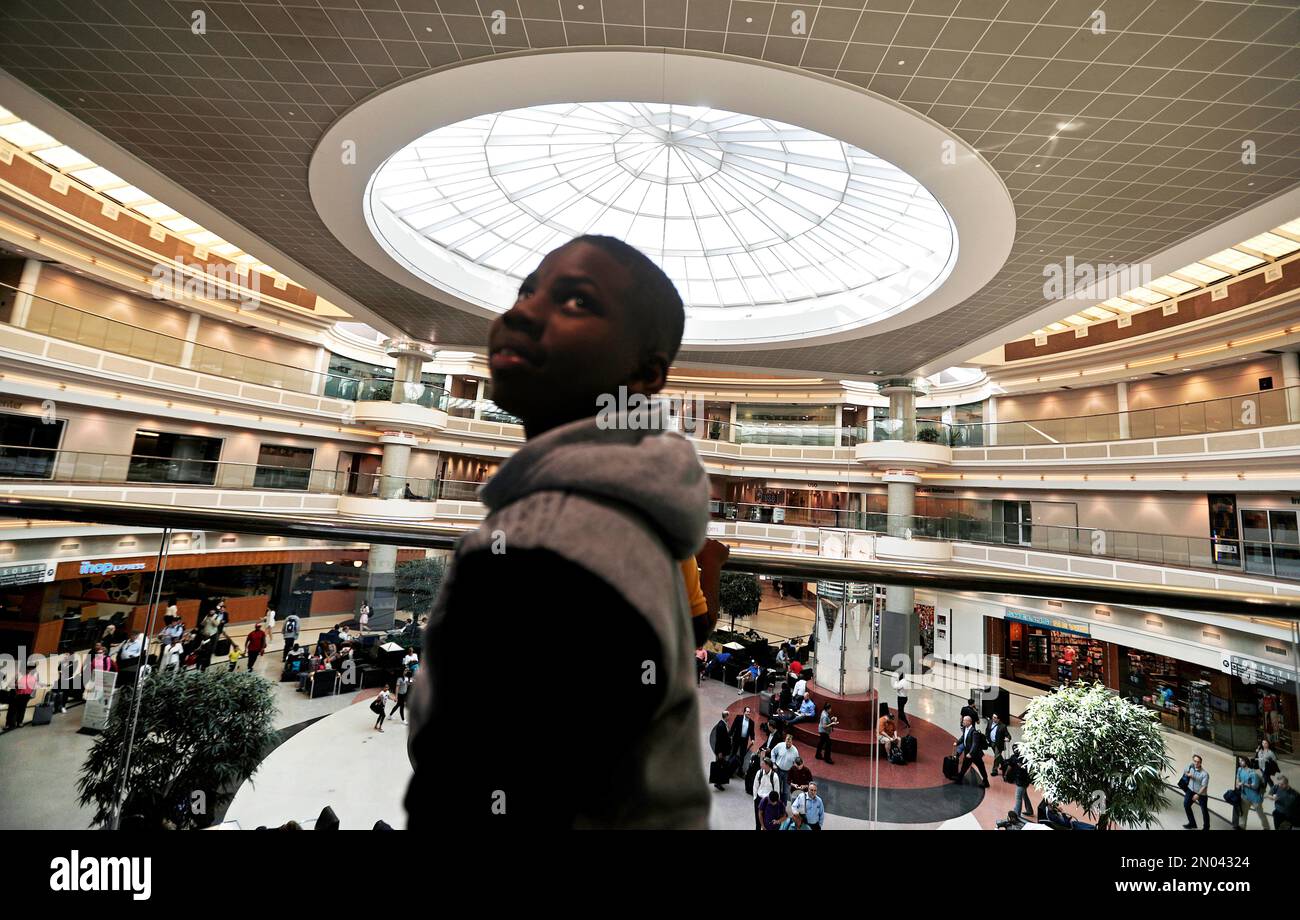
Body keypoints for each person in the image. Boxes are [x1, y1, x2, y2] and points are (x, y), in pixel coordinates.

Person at [405, 235, 710, 828]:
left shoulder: (550, 543)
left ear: (645, 375)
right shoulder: (607, 508)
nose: (520, 311)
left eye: (575, 302)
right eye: (527, 290)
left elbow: (484, 792)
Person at [1233, 754, 1269, 830]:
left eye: (1242, 761)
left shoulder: (1252, 773)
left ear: (1246, 761)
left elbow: (1255, 786)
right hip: (1244, 797)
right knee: (1243, 814)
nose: (1240, 762)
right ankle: (1242, 827)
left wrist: (1244, 784)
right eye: (1239, 761)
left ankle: (1266, 827)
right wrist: (1238, 784)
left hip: (1255, 798)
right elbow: (1237, 780)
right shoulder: (1239, 770)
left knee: (1261, 814)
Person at [953, 714, 989, 787]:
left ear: (969, 722)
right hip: (968, 753)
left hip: (975, 754)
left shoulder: (974, 732)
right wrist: (957, 742)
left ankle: (986, 781)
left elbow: (975, 744)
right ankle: (959, 779)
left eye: (964, 721)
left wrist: (970, 753)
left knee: (981, 767)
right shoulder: (965, 729)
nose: (962, 722)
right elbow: (963, 737)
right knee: (965, 766)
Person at [3, 662, 40, 731]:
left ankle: (19, 722)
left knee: (22, 709)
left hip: (26, 696)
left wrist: (31, 695)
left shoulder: (34, 676)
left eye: (32, 669)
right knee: (12, 710)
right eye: (28, 669)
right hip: (16, 695)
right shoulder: (18, 675)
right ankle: (8, 724)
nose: (30, 670)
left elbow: (35, 686)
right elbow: (10, 684)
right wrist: (17, 686)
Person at [1182, 754, 1210, 830]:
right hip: (1190, 790)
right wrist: (1187, 774)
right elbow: (1185, 771)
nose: (1196, 763)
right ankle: (1192, 823)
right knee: (1186, 805)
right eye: (1195, 761)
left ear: (1201, 763)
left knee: (1204, 810)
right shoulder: (1191, 766)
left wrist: (1198, 794)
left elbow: (1204, 786)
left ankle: (1206, 827)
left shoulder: (1205, 774)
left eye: (1198, 762)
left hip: (1201, 793)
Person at [1007, 743, 1035, 818]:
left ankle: (1017, 815)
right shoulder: (1025, 757)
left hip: (1021, 781)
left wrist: (1006, 775)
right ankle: (1029, 810)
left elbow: (1009, 767)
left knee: (1018, 798)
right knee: (1024, 795)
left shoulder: (1016, 758)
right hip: (1025, 780)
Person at [752, 760, 781, 828]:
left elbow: (777, 791)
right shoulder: (759, 773)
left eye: (763, 764)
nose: (761, 765)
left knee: (767, 821)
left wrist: (776, 803)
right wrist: (755, 797)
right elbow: (755, 786)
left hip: (768, 801)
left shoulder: (774, 776)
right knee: (758, 820)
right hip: (759, 799)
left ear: (768, 765)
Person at [770, 734, 800, 800]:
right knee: (777, 787)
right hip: (778, 770)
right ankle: (776, 803)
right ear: (785, 740)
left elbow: (797, 762)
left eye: (790, 742)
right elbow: (772, 752)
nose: (788, 743)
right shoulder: (780, 745)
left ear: (792, 742)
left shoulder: (795, 751)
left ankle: (784, 805)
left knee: (785, 791)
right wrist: (774, 763)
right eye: (787, 741)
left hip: (788, 773)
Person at [986, 712, 1010, 776]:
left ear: (998, 719)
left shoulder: (1003, 726)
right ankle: (1003, 764)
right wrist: (987, 738)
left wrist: (1008, 738)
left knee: (996, 756)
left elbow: (1008, 735)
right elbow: (987, 730)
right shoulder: (990, 722)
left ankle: (994, 770)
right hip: (992, 743)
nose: (993, 718)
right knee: (998, 756)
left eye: (995, 717)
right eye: (993, 717)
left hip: (999, 744)